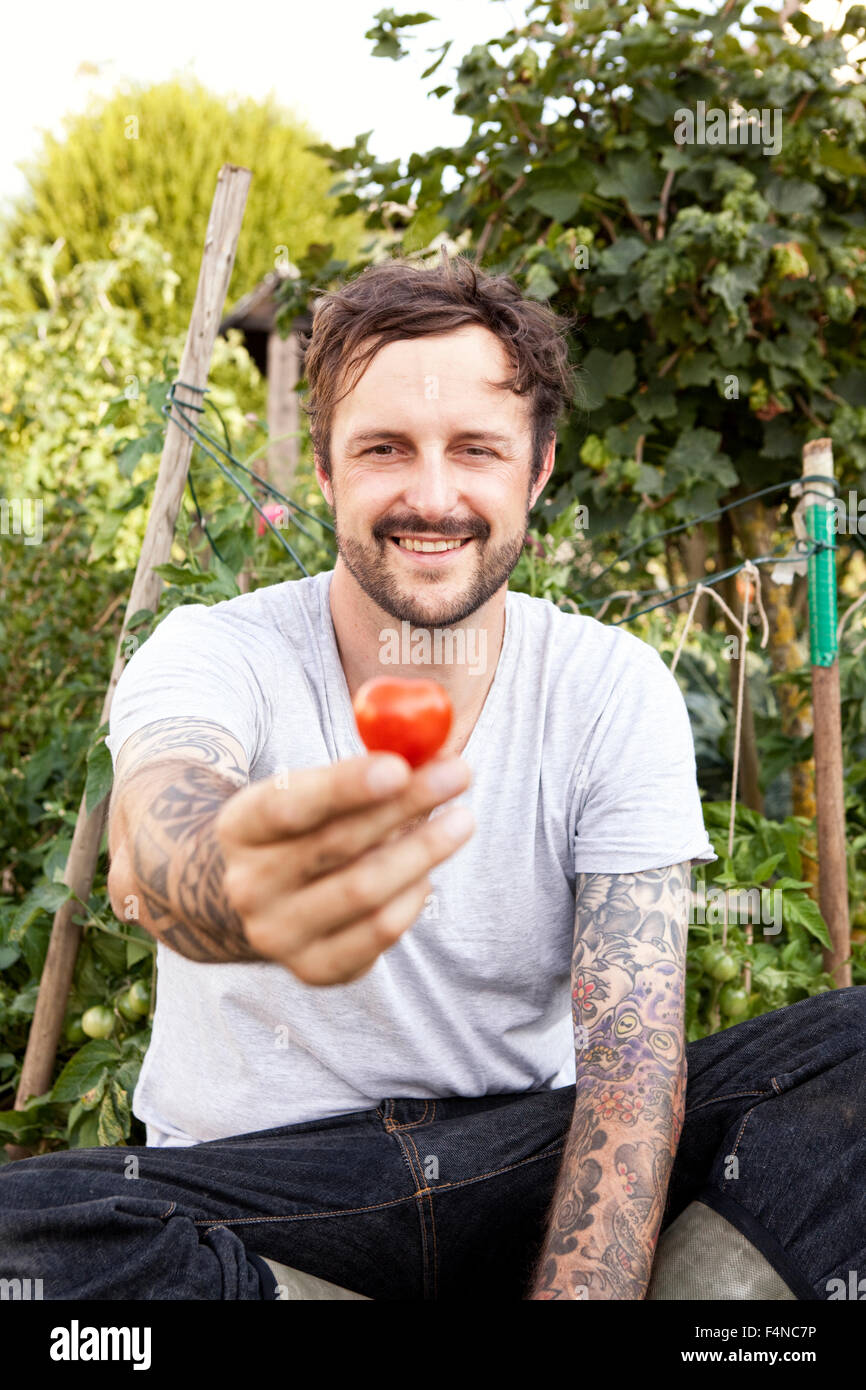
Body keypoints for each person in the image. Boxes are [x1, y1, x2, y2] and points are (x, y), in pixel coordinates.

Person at [1, 255, 863, 1301]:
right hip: (264, 1190)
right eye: (383, 448)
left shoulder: (605, 685)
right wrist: (225, 883)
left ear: (537, 470)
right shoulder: (215, 649)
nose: (431, 494)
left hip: (516, 1163)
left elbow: (630, 1067)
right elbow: (159, 823)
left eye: (474, 449)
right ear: (322, 468)